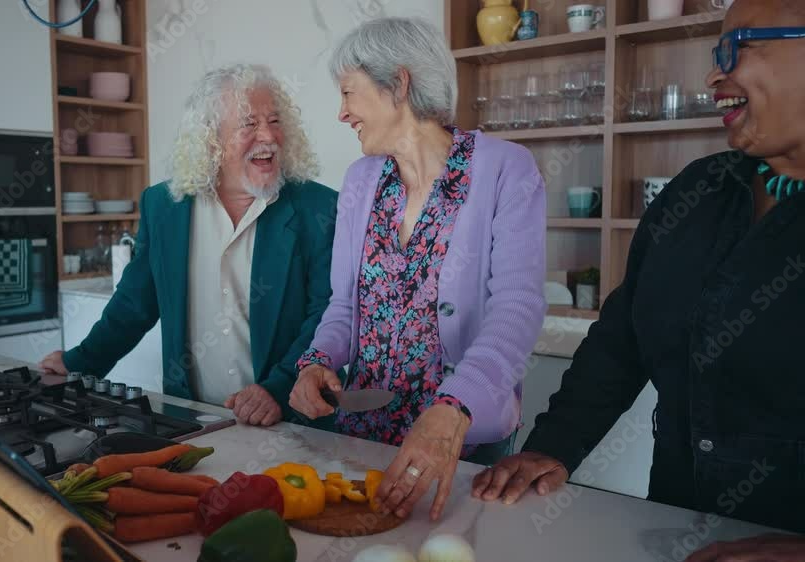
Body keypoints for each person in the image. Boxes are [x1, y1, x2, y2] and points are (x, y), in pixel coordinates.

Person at [471, 0, 805, 558]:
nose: (714, 76)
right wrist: (554, 446)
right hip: (673, 538)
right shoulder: (698, 190)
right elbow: (620, 341)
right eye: (716, 53)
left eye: (738, 48)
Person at [289, 17, 547, 521]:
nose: (342, 113)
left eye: (349, 92)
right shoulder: (361, 180)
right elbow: (344, 304)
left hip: (461, 436)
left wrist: (455, 405)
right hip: (364, 434)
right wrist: (317, 360)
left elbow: (516, 307)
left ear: (399, 83)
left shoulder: (505, 169)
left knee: (452, 546)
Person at [41, 64, 338, 427]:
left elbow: (326, 313)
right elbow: (134, 304)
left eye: (274, 121)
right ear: (211, 138)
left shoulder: (318, 208)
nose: (269, 136)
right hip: (193, 423)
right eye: (249, 124)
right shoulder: (164, 206)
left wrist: (278, 387)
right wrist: (78, 363)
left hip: (292, 423)